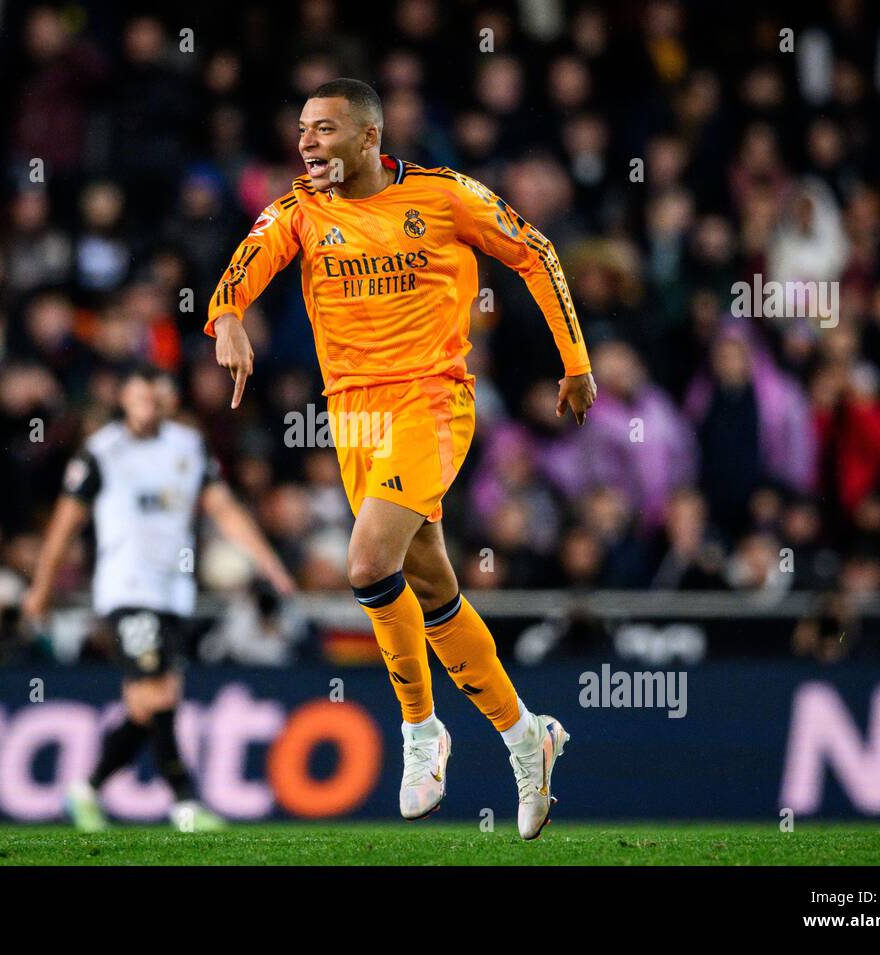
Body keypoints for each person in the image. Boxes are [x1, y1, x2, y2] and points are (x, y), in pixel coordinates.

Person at [206, 78, 597, 839]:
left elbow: (536, 252)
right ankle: (527, 735)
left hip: (431, 401)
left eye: (323, 129)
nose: (307, 143)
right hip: (351, 416)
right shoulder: (300, 210)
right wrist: (226, 317)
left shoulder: (447, 196)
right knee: (429, 583)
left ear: (367, 137)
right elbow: (243, 265)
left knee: (364, 562)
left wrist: (575, 361)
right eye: (301, 129)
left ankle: (422, 731)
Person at [22, 363, 295, 832]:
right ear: (124, 400)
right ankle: (185, 804)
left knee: (145, 706)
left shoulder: (188, 447)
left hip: (174, 592)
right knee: (160, 690)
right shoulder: (101, 452)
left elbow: (223, 510)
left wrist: (271, 565)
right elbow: (66, 524)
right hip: (126, 589)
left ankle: (85, 790)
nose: (150, 405)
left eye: (157, 396)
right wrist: (42, 588)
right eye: (141, 397)